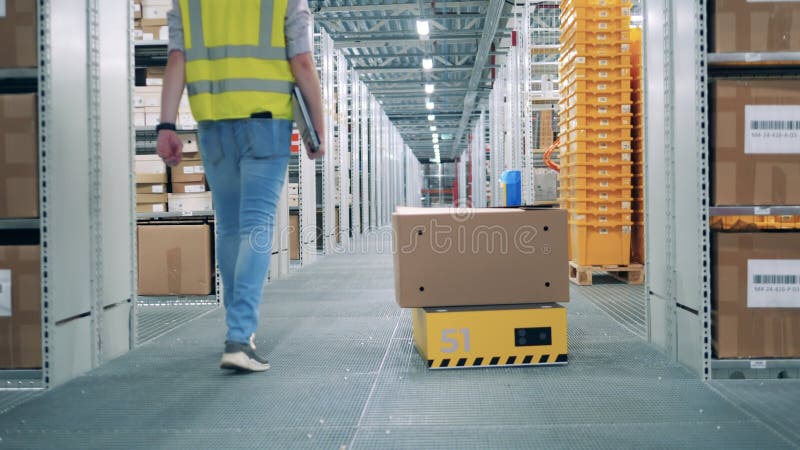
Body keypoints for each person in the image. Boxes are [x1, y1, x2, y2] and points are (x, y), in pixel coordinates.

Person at [156, 0, 325, 372]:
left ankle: (239, 334)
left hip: (212, 123)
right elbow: (301, 62)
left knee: (231, 227)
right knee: (256, 224)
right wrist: (317, 127)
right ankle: (239, 336)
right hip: (265, 122)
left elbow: (177, 59)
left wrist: (166, 124)